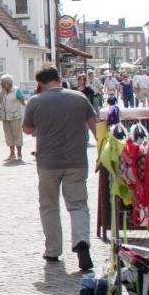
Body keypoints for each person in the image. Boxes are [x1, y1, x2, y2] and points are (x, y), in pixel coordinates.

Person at [23, 64, 98, 272]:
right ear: (58, 78)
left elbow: (27, 129)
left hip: (48, 162)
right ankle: (81, 241)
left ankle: (53, 249)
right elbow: (95, 125)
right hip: (76, 160)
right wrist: (102, 150)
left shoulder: (36, 101)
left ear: (40, 83)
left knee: (49, 206)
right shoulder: (79, 98)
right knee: (78, 205)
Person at [0, 74, 25, 161]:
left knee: (17, 135)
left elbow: (23, 101)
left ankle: (19, 153)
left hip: (15, 116)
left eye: (3, 83)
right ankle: (12, 154)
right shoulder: (3, 91)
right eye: (2, 83)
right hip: (5, 117)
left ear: (9, 83)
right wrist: (2, 91)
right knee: (8, 136)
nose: (2, 84)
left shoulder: (16, 90)